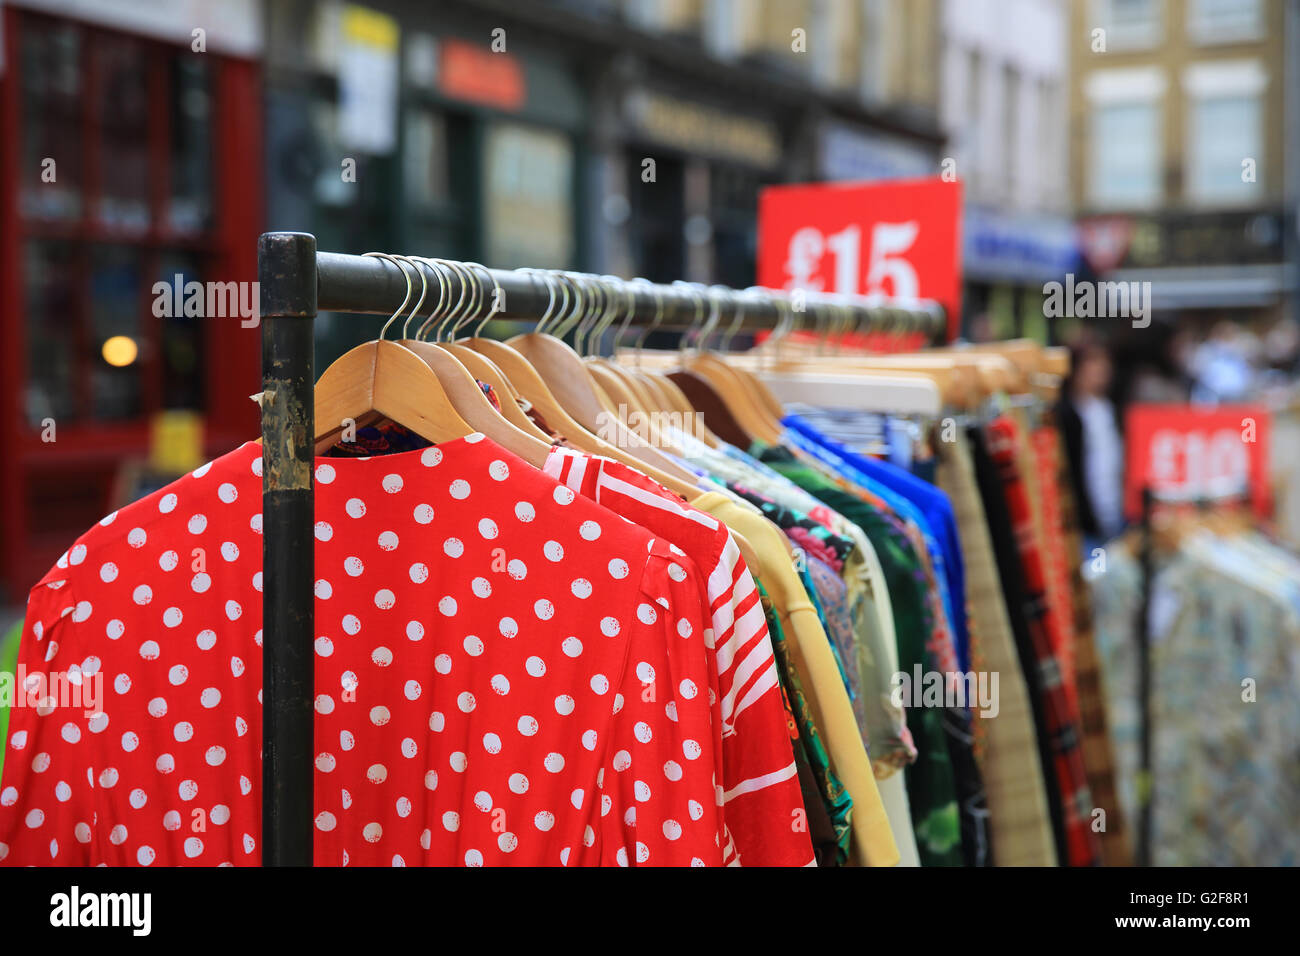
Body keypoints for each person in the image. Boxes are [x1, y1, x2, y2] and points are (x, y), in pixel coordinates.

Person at [1056, 342, 1124, 550]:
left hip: (1114, 517)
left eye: (1104, 361)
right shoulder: (1066, 414)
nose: (1100, 368)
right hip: (1084, 524)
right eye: (1092, 362)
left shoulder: (1111, 410)